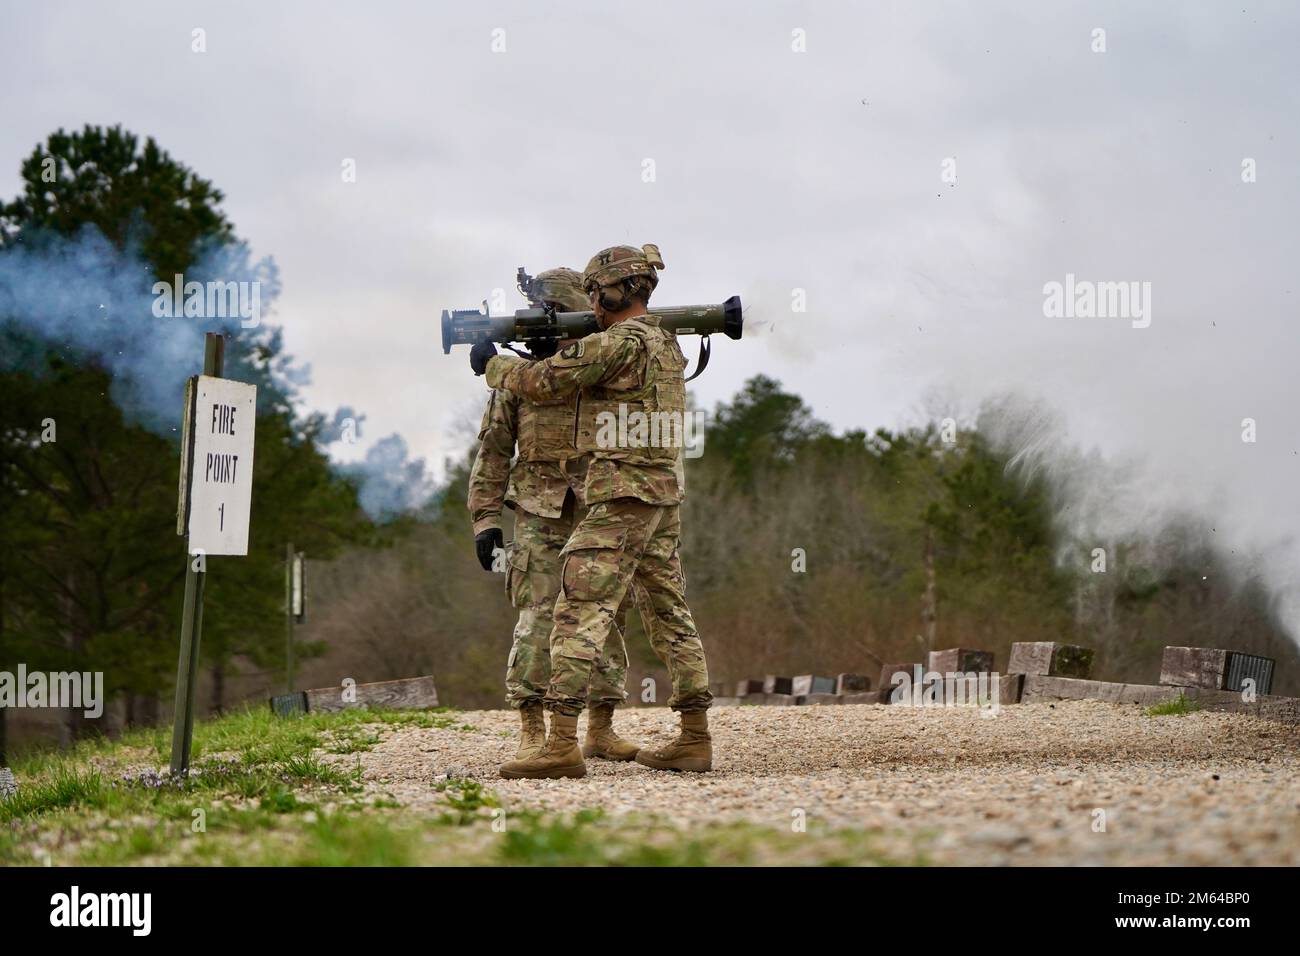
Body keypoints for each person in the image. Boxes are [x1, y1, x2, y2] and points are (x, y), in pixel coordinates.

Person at [470, 244, 713, 779]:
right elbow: (493, 450)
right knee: (552, 614)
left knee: (596, 614)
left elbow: (549, 378)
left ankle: (584, 735)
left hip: (610, 498)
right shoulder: (657, 345)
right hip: (554, 507)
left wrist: (492, 363)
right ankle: (543, 732)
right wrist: (485, 519)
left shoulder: (605, 353)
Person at [466, 268, 643, 765]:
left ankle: (601, 727)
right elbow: (494, 454)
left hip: (600, 509)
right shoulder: (517, 382)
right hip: (539, 516)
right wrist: (486, 522)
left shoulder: (604, 367)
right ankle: (531, 729)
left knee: (607, 615)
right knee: (537, 619)